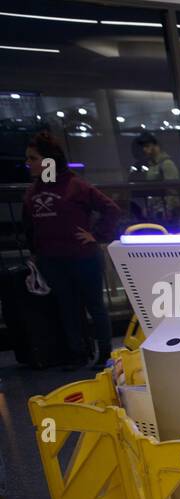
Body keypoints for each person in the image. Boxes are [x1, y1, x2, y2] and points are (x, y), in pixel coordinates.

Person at [22, 132, 121, 370]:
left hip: (82, 256)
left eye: (33, 158)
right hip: (52, 258)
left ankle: (104, 354)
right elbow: (30, 225)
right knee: (67, 307)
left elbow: (111, 209)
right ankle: (78, 353)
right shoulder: (33, 192)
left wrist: (96, 236)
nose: (29, 163)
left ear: (48, 160)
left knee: (93, 305)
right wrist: (36, 251)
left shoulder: (76, 185)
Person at [135, 132, 180, 226]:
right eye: (144, 147)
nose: (145, 149)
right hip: (157, 211)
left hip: (165, 212)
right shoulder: (153, 165)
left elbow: (172, 189)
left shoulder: (166, 164)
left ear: (156, 146)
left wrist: (168, 209)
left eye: (147, 146)